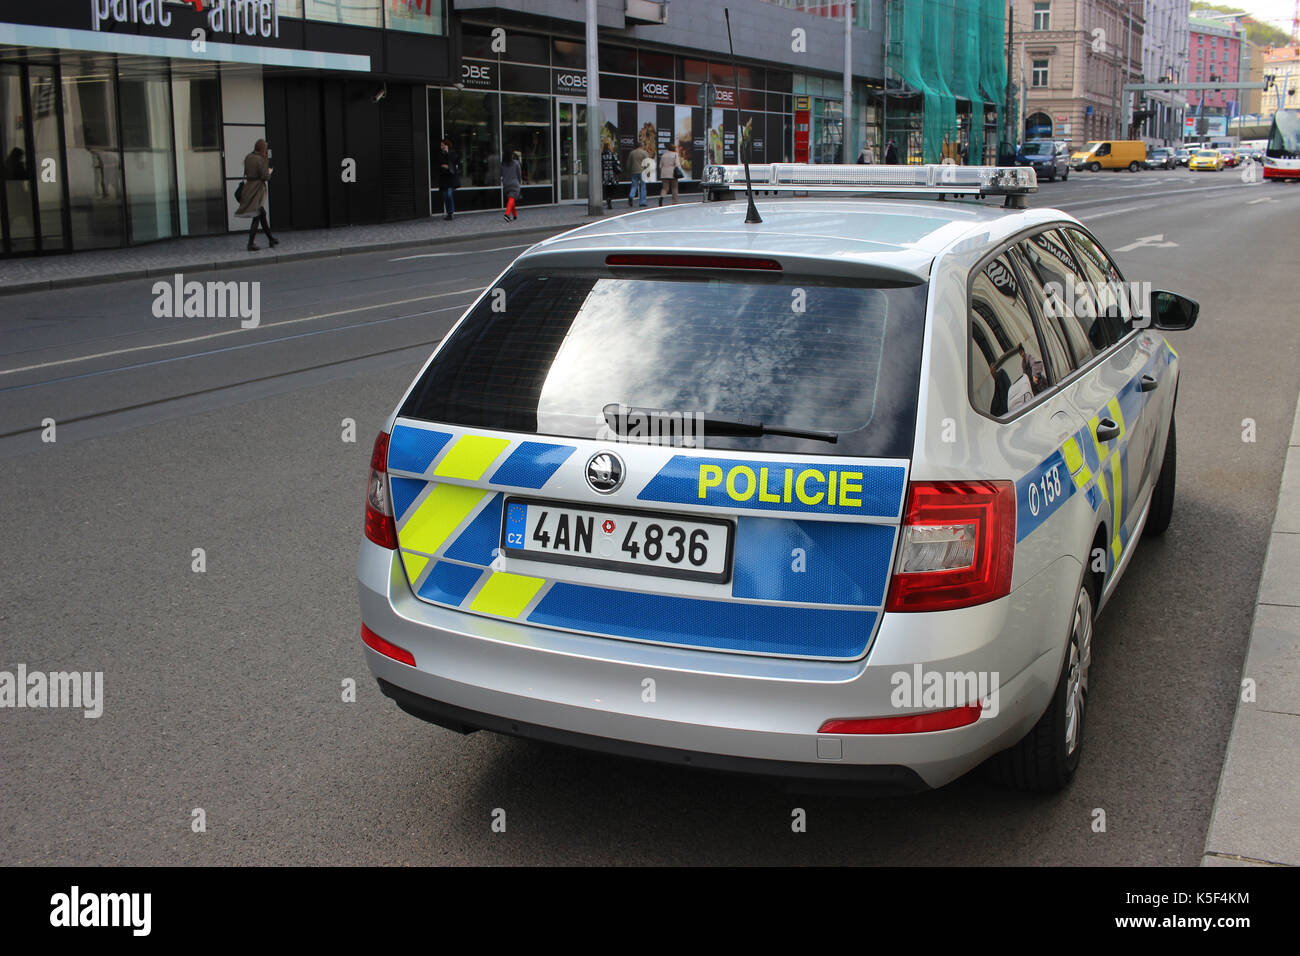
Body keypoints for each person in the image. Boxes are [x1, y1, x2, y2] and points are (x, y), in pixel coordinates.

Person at [236, 138, 276, 252]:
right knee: (257, 215)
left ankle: (271, 239)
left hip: (249, 188)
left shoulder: (248, 157)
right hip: (257, 189)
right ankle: (250, 244)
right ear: (263, 148)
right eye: (266, 148)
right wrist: (269, 171)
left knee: (261, 214)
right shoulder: (261, 159)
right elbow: (265, 176)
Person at [437, 138, 460, 221]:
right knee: (445, 196)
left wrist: (448, 153)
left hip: (451, 178)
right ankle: (449, 213)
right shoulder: (440, 154)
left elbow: (455, 161)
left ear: (447, 145)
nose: (441, 147)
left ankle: (451, 212)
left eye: (443, 145)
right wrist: (445, 166)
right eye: (441, 145)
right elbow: (440, 164)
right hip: (443, 178)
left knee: (449, 194)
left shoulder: (452, 153)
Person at [501, 150, 522, 221]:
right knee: (512, 199)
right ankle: (507, 214)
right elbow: (519, 174)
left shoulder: (503, 164)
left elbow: (501, 174)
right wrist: (519, 182)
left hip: (506, 184)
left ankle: (515, 215)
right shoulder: (516, 163)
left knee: (511, 199)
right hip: (514, 183)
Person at [600, 142, 622, 209]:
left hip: (604, 173)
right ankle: (610, 197)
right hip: (612, 173)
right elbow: (617, 163)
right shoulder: (612, 155)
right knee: (613, 186)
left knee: (606, 186)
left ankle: (607, 197)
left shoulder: (601, 155)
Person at [627, 143, 649, 208]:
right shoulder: (644, 153)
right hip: (642, 171)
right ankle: (642, 202)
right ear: (641, 146)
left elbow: (629, 163)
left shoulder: (632, 153)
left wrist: (628, 169)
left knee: (634, 185)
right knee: (643, 186)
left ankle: (631, 195)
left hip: (634, 171)